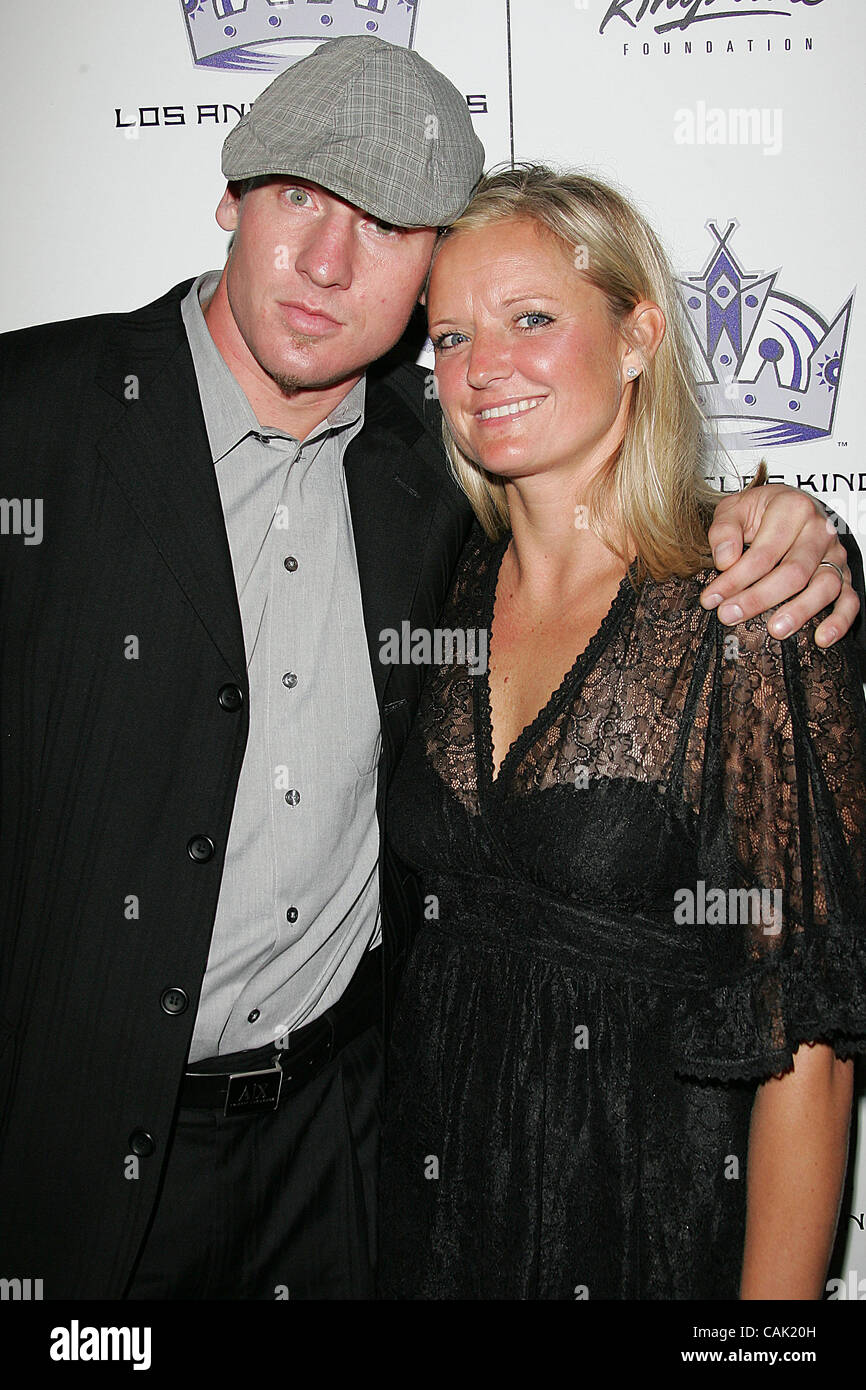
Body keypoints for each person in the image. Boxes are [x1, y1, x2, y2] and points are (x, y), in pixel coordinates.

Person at [0, 39, 859, 1301]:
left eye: (389, 224)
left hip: (360, 1171)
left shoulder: (424, 480)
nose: (329, 261)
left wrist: (808, 525)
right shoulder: (34, 418)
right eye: (298, 195)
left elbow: (802, 1025)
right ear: (230, 199)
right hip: (82, 1172)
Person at [377, 166, 866, 1300]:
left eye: (531, 319)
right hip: (427, 1214)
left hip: (645, 1211)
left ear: (638, 333)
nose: (481, 365)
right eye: (448, 337)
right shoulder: (433, 578)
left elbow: (806, 1047)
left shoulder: (749, 605)